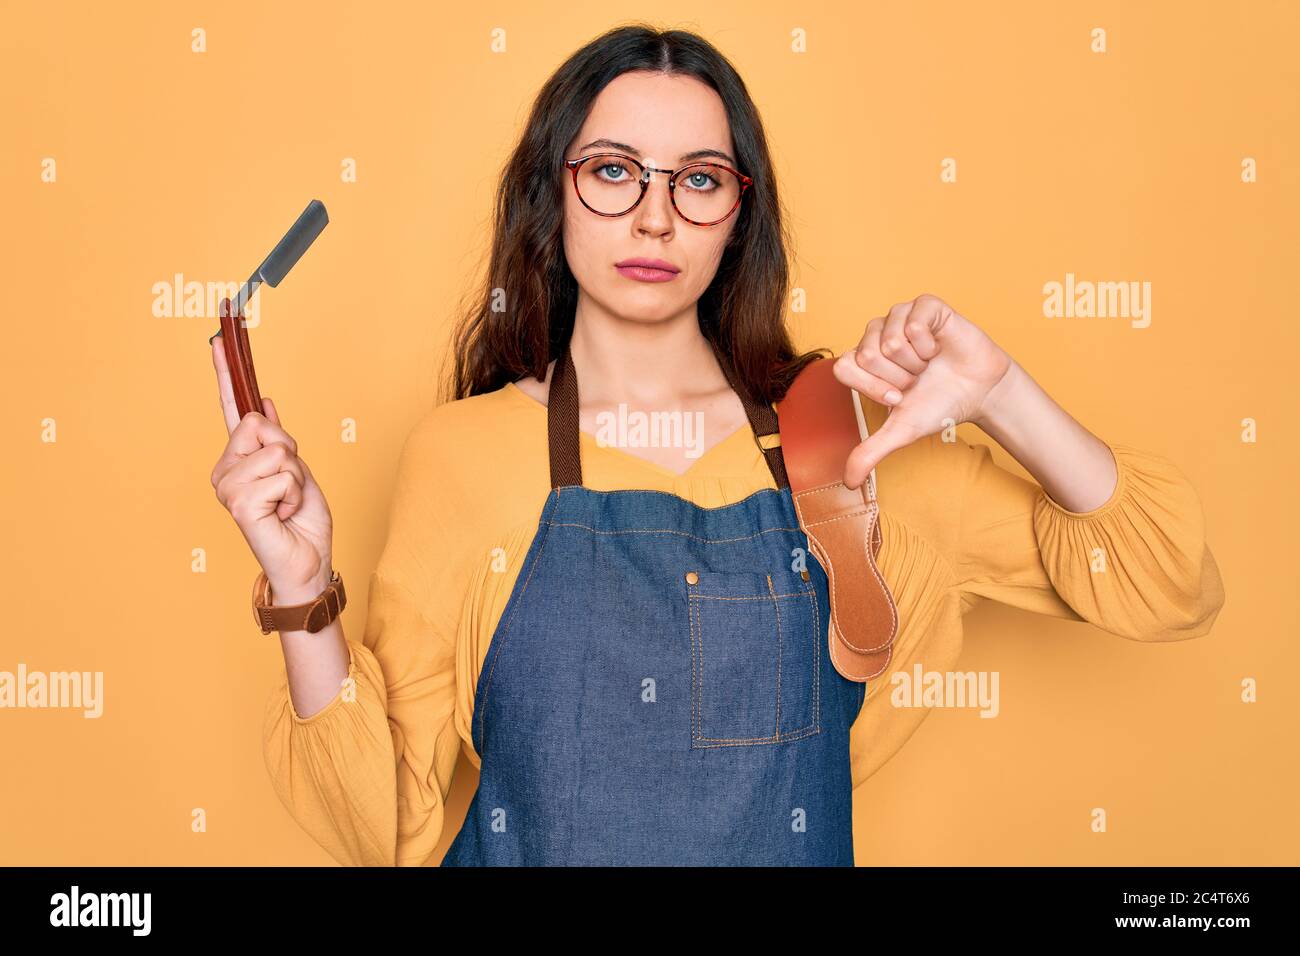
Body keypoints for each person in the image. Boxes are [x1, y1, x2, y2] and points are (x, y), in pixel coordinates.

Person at [209, 24, 1225, 866]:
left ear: (739, 213)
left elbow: (1169, 581)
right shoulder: (461, 454)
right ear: (549, 195)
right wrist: (303, 592)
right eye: (612, 171)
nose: (654, 217)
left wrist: (1001, 392)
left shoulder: (848, 443)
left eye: (697, 179)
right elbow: (382, 823)